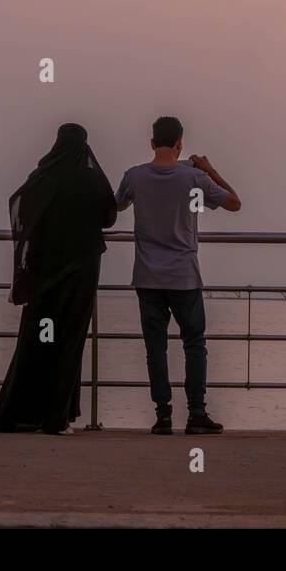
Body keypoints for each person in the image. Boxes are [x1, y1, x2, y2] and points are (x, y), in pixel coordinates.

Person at [0, 123, 116, 435]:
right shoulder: (91, 178)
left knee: (37, 340)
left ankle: (17, 415)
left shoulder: (42, 176)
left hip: (43, 274)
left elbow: (22, 211)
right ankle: (56, 418)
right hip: (81, 272)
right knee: (70, 341)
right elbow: (109, 217)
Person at [115, 115, 241, 435]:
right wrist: (207, 169)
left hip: (147, 277)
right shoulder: (193, 178)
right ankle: (196, 414)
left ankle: (163, 417)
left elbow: (116, 207)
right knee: (194, 343)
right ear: (180, 143)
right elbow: (234, 203)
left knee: (155, 346)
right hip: (184, 275)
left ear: (151, 142)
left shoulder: (134, 176)